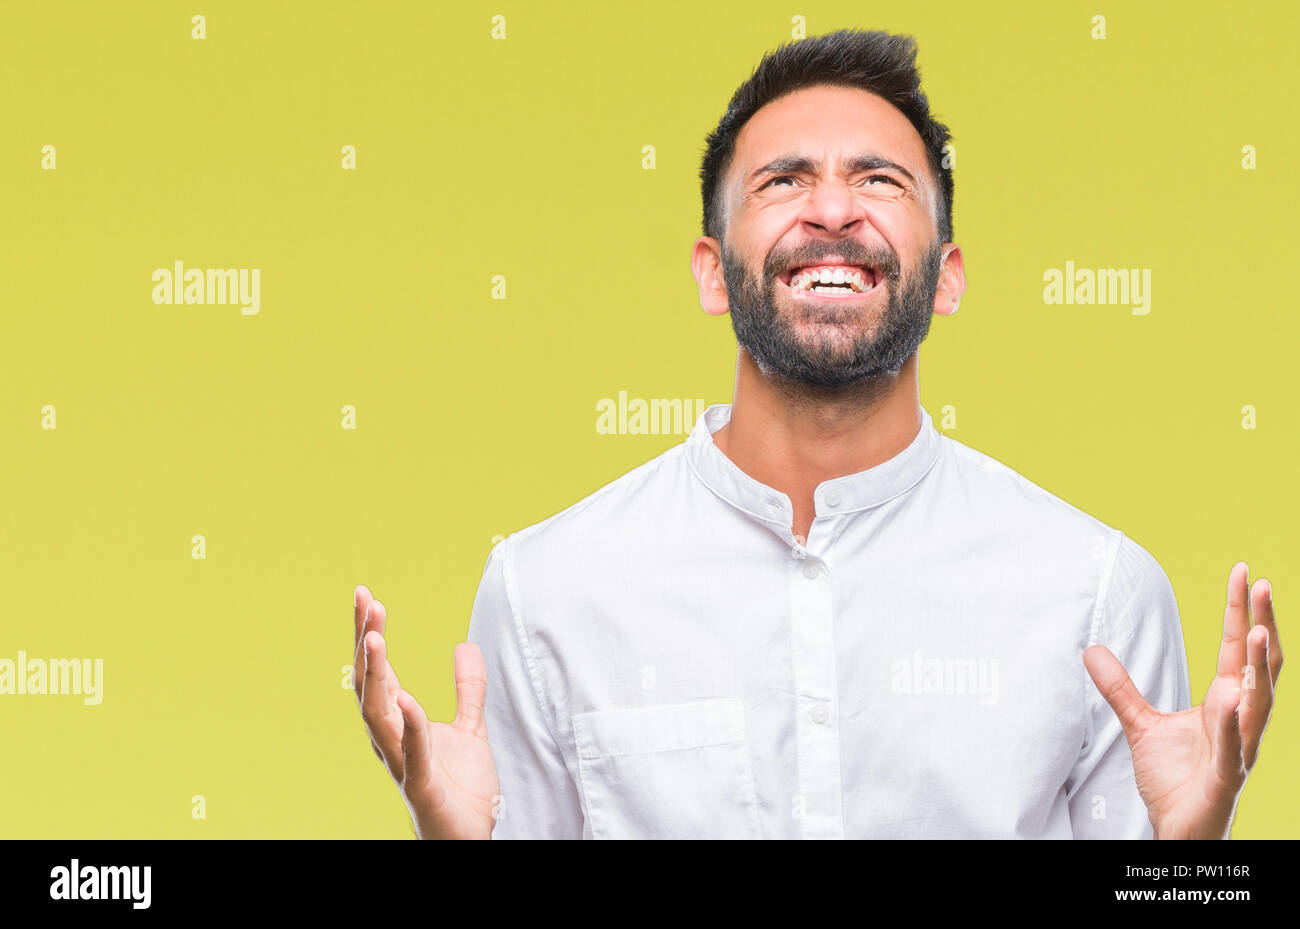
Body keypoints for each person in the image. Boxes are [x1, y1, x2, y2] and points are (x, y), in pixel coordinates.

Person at [351, 28, 1282, 839]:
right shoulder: (545, 590)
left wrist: (1191, 862)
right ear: (712, 272)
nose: (833, 211)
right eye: (783, 180)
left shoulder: (1099, 595)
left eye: (879, 180)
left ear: (948, 276)